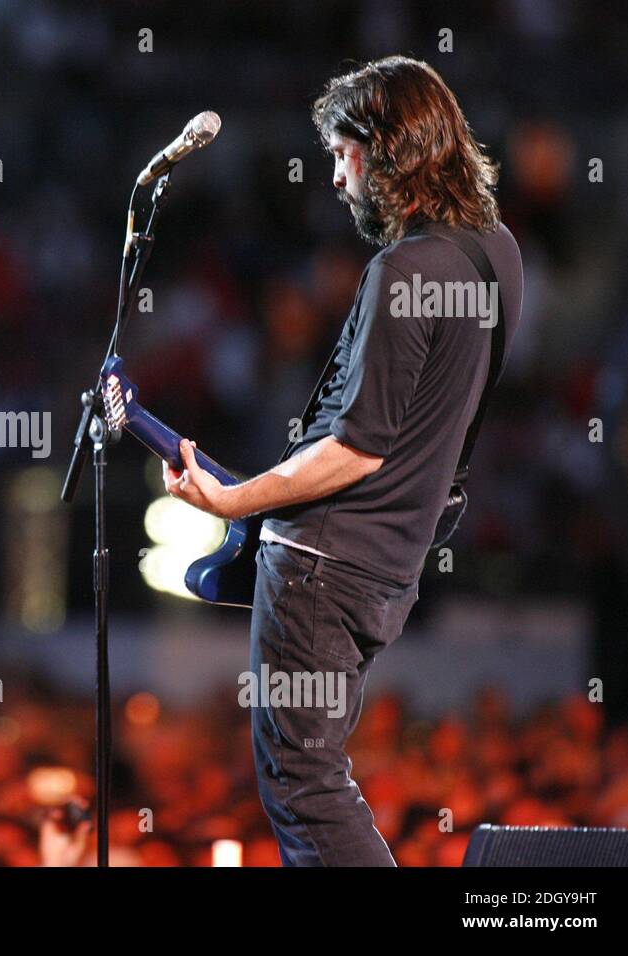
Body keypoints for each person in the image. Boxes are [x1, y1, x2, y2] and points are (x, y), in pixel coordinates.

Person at [164, 56, 523, 865]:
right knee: (316, 773)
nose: (334, 178)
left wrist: (235, 500)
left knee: (302, 779)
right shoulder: (496, 252)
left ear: (387, 148)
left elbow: (359, 446)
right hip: (390, 565)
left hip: (324, 564)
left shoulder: (401, 271)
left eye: (340, 154)